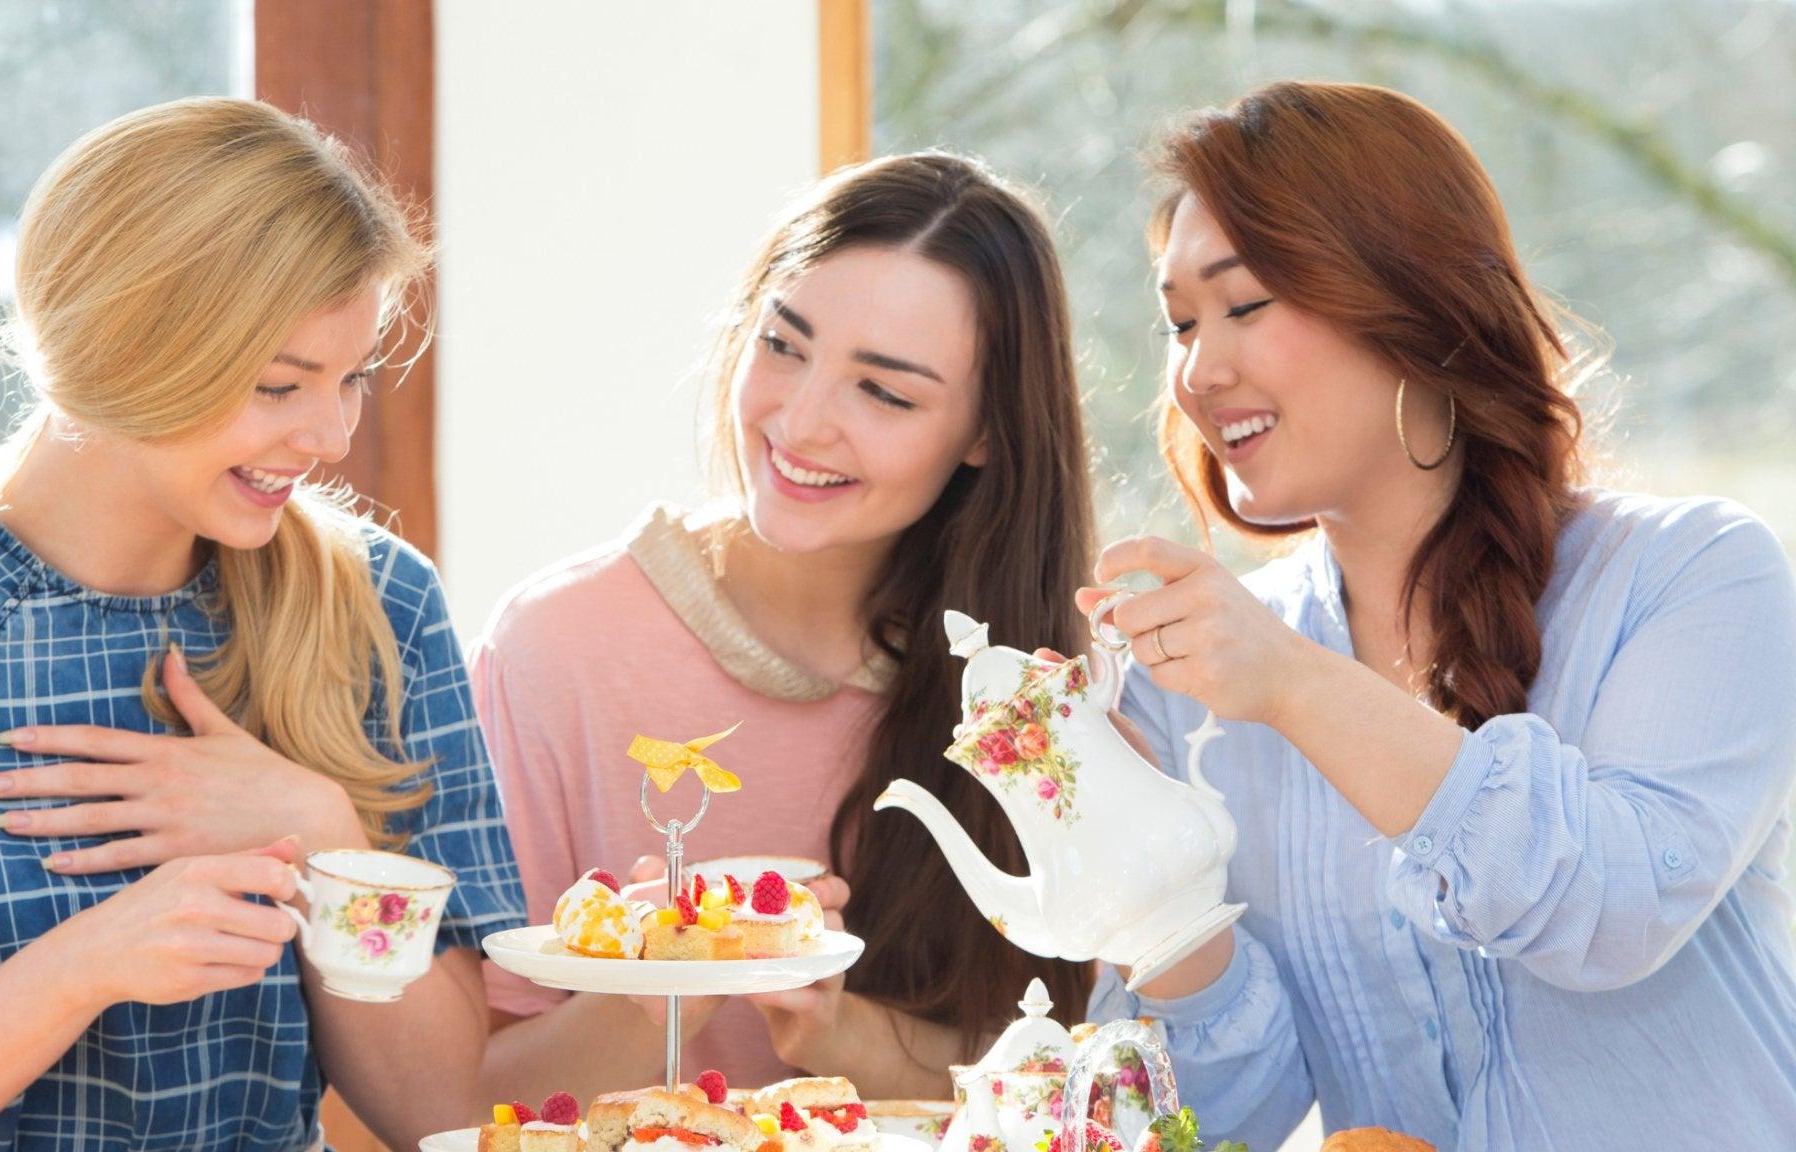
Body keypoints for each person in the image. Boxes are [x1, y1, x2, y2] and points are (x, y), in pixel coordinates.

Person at [0, 97, 525, 1151]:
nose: (332, 435)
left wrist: (324, 841)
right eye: (278, 385)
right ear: (128, 348)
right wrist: (83, 968)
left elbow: (444, 1114)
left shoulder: (381, 608)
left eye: (352, 380)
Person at [1080, 81, 1796, 1150]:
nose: (1195, 368)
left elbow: (1607, 909)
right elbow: (1200, 1120)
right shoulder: (1196, 691)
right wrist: (1148, 886)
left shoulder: (1692, 575)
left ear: (1407, 307)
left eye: (1242, 305)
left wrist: (1295, 686)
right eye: (1178, 321)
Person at [473, 152, 1100, 1100]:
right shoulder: (553, 652)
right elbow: (459, 1104)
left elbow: (1054, 1084)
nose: (801, 423)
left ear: (987, 434)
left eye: (884, 393)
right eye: (784, 346)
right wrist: (659, 981)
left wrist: (835, 1027)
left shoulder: (1031, 697)